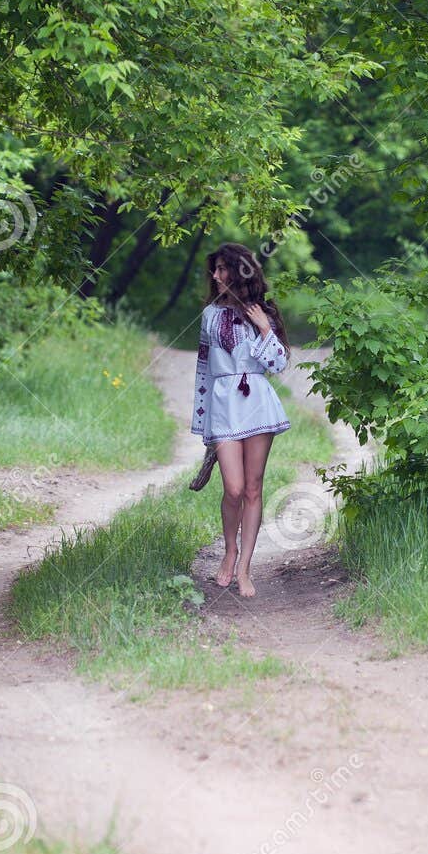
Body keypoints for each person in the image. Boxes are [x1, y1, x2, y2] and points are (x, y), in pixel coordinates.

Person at [187, 243, 292, 597]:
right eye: (214, 269)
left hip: (257, 403)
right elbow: (204, 369)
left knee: (252, 488)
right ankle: (229, 551)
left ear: (238, 271)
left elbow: (278, 364)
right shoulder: (210, 315)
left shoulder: (264, 311)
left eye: (222, 269)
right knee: (232, 489)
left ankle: (245, 567)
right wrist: (203, 422)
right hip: (223, 405)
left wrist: (265, 330)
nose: (216, 276)